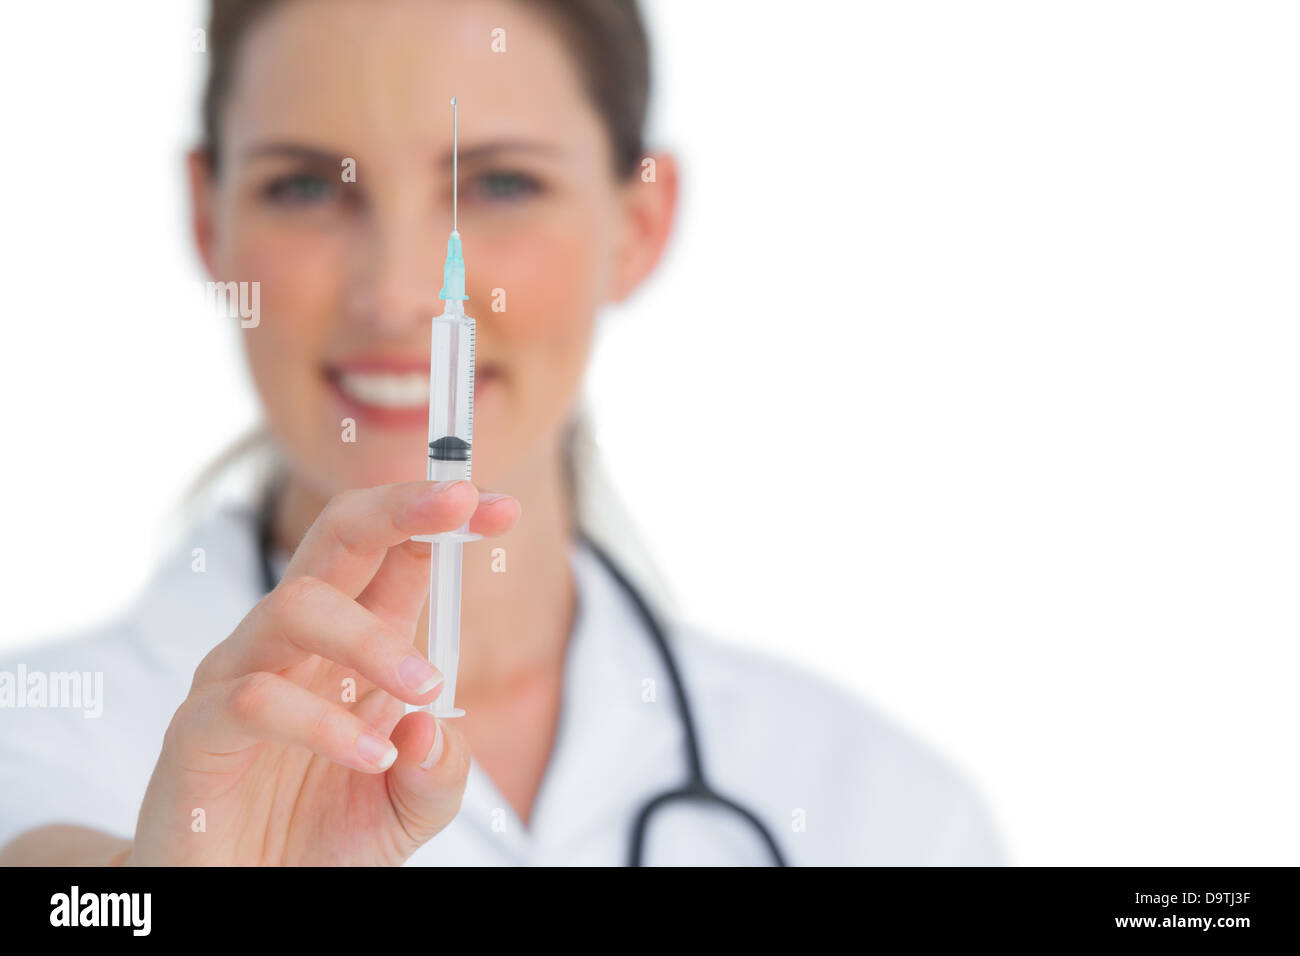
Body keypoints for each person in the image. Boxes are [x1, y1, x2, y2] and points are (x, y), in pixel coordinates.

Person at [0, 0, 1006, 866]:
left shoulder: (878, 804)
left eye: (501, 183)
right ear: (208, 219)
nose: (396, 296)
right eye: (307, 186)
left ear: (639, 224)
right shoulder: (35, 736)